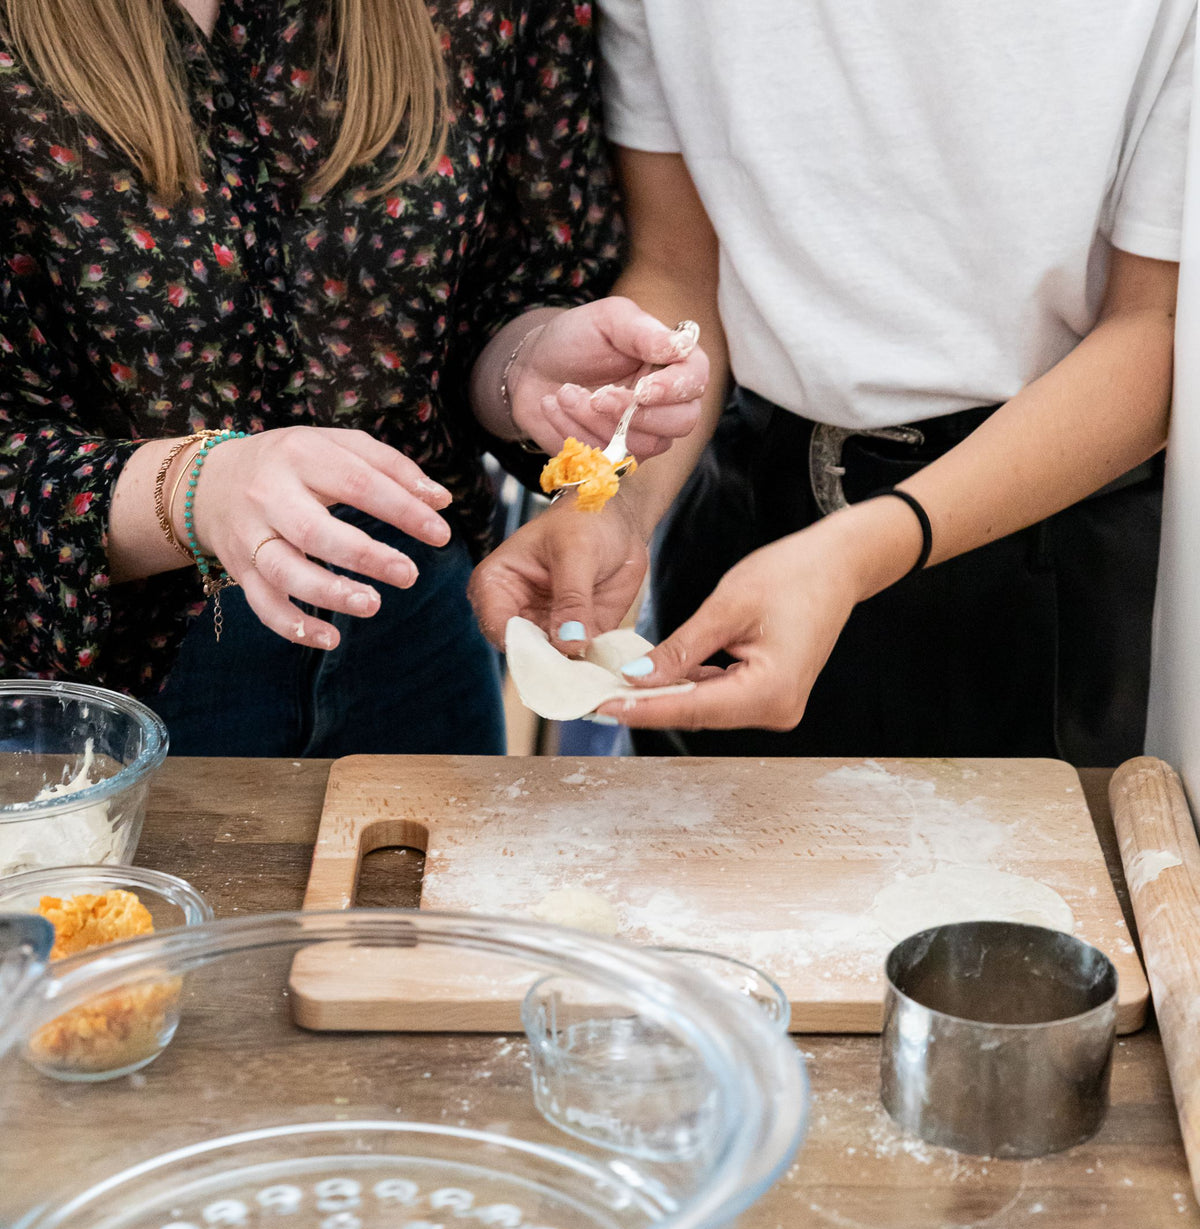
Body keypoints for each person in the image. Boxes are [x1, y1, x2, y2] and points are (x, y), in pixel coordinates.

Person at [470, 0, 1193, 765]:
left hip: (1041, 549)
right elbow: (681, 267)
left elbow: (1152, 334)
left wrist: (855, 554)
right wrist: (613, 498)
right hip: (744, 507)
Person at [0, 0, 706, 755]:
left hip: (418, 632)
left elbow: (509, 280)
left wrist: (528, 363)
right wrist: (190, 487)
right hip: (85, 697)